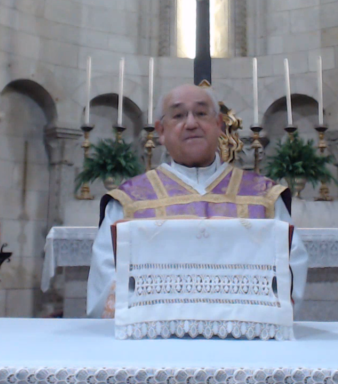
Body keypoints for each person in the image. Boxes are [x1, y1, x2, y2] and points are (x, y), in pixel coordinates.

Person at [86, 84, 308, 318]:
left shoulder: (264, 197)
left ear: (219, 125)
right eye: (178, 115)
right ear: (161, 131)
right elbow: (107, 278)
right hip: (155, 336)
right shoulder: (129, 201)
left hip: (245, 334)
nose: (191, 123)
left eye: (201, 113)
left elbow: (289, 266)